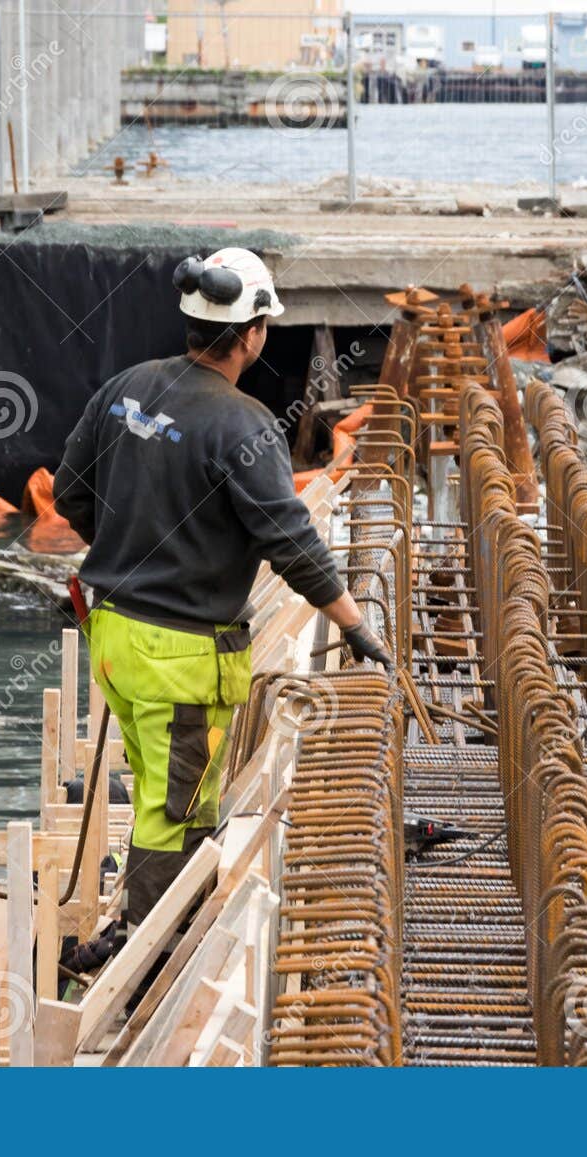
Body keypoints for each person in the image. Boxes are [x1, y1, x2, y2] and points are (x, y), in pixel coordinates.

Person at [52, 246, 392, 928]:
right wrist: (356, 626)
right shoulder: (244, 425)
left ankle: (134, 929)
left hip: (114, 634)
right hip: (181, 655)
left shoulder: (125, 387)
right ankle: (147, 960)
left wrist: (134, 548)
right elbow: (292, 543)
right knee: (177, 810)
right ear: (254, 332)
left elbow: (70, 495)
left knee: (154, 784)